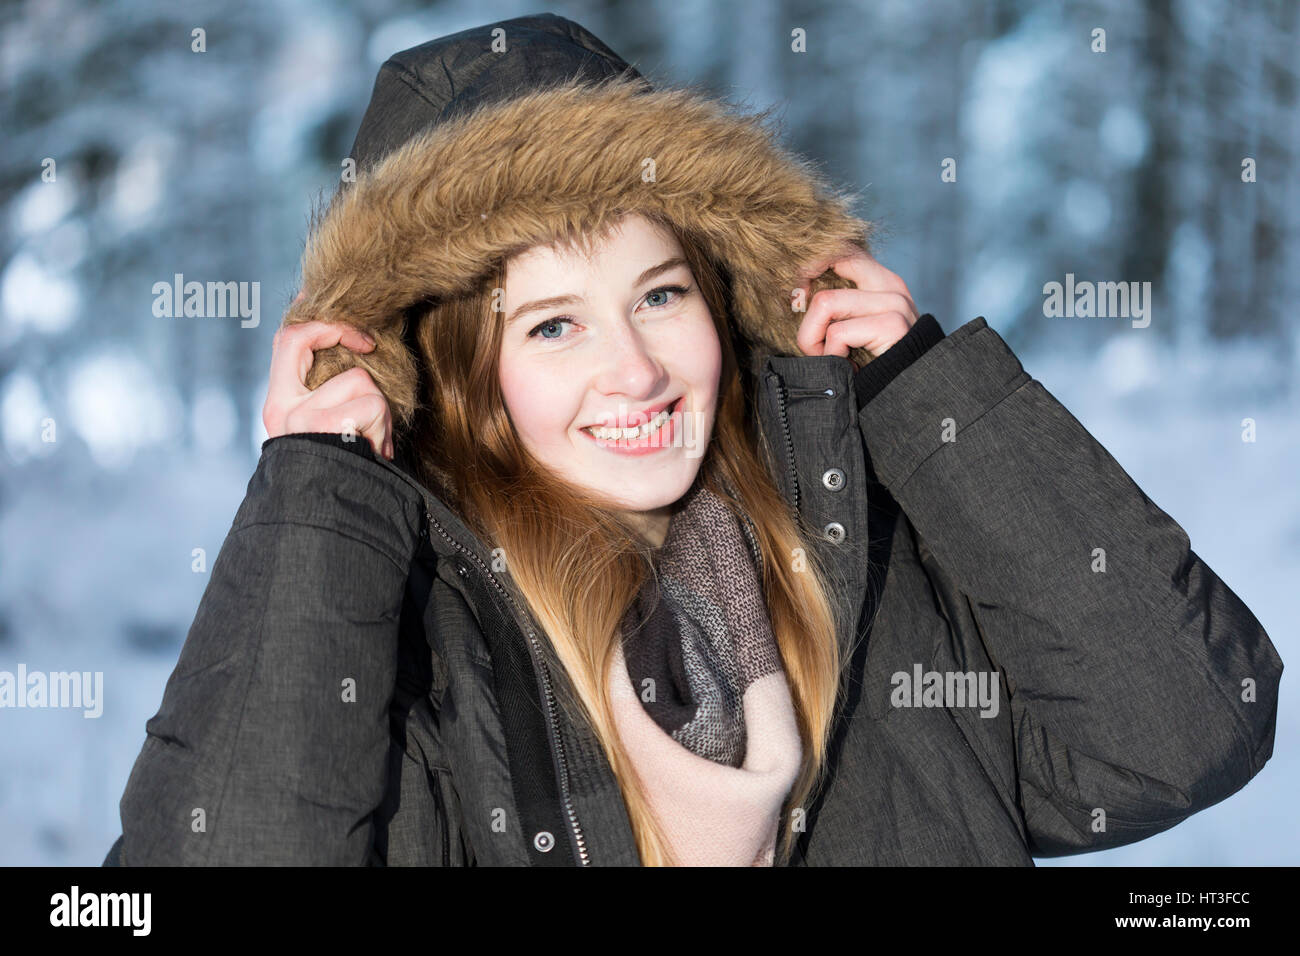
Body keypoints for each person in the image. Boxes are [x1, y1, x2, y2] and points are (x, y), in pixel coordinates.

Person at [105, 13, 1282, 867]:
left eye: (662, 294)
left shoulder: (866, 570)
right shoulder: (413, 650)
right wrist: (316, 500)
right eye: (555, 323)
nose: (636, 367)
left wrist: (934, 398)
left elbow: (1187, 727)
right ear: (465, 377)